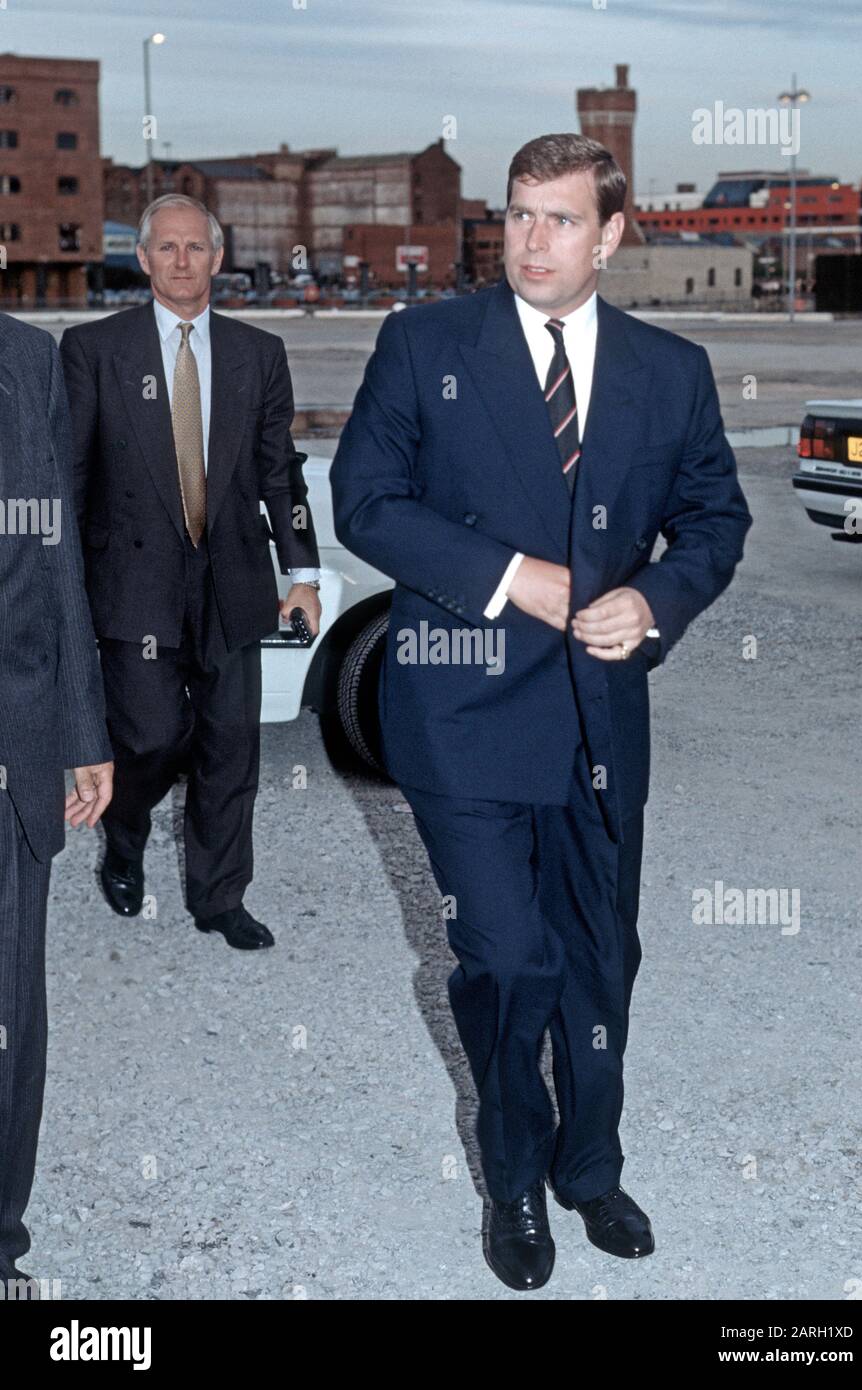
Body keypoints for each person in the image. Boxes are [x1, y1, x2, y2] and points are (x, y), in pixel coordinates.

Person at [331, 134, 752, 1289]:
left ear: (612, 233)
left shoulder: (671, 371)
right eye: (518, 215)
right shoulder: (427, 345)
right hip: (460, 712)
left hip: (601, 721)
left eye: (560, 220)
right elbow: (365, 498)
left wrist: (655, 600)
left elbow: (716, 521)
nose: (530, 240)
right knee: (506, 957)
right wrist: (519, 577)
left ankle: (589, 1164)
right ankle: (513, 1171)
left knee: (599, 960)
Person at [60, 195, 321, 950]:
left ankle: (219, 897)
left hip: (232, 581)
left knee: (230, 749)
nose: (181, 261)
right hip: (130, 584)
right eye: (165, 248)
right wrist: (63, 586)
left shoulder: (257, 354)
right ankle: (126, 833)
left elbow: (281, 474)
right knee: (145, 738)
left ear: (217, 257)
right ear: (142, 260)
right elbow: (71, 476)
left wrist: (299, 571)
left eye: (195, 247)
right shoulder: (93, 349)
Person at [0, 314, 113, 1295]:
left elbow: (55, 551)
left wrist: (81, 730)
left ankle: (0, 1247)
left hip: (12, 752)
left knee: (9, 1014)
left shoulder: (29, 358)